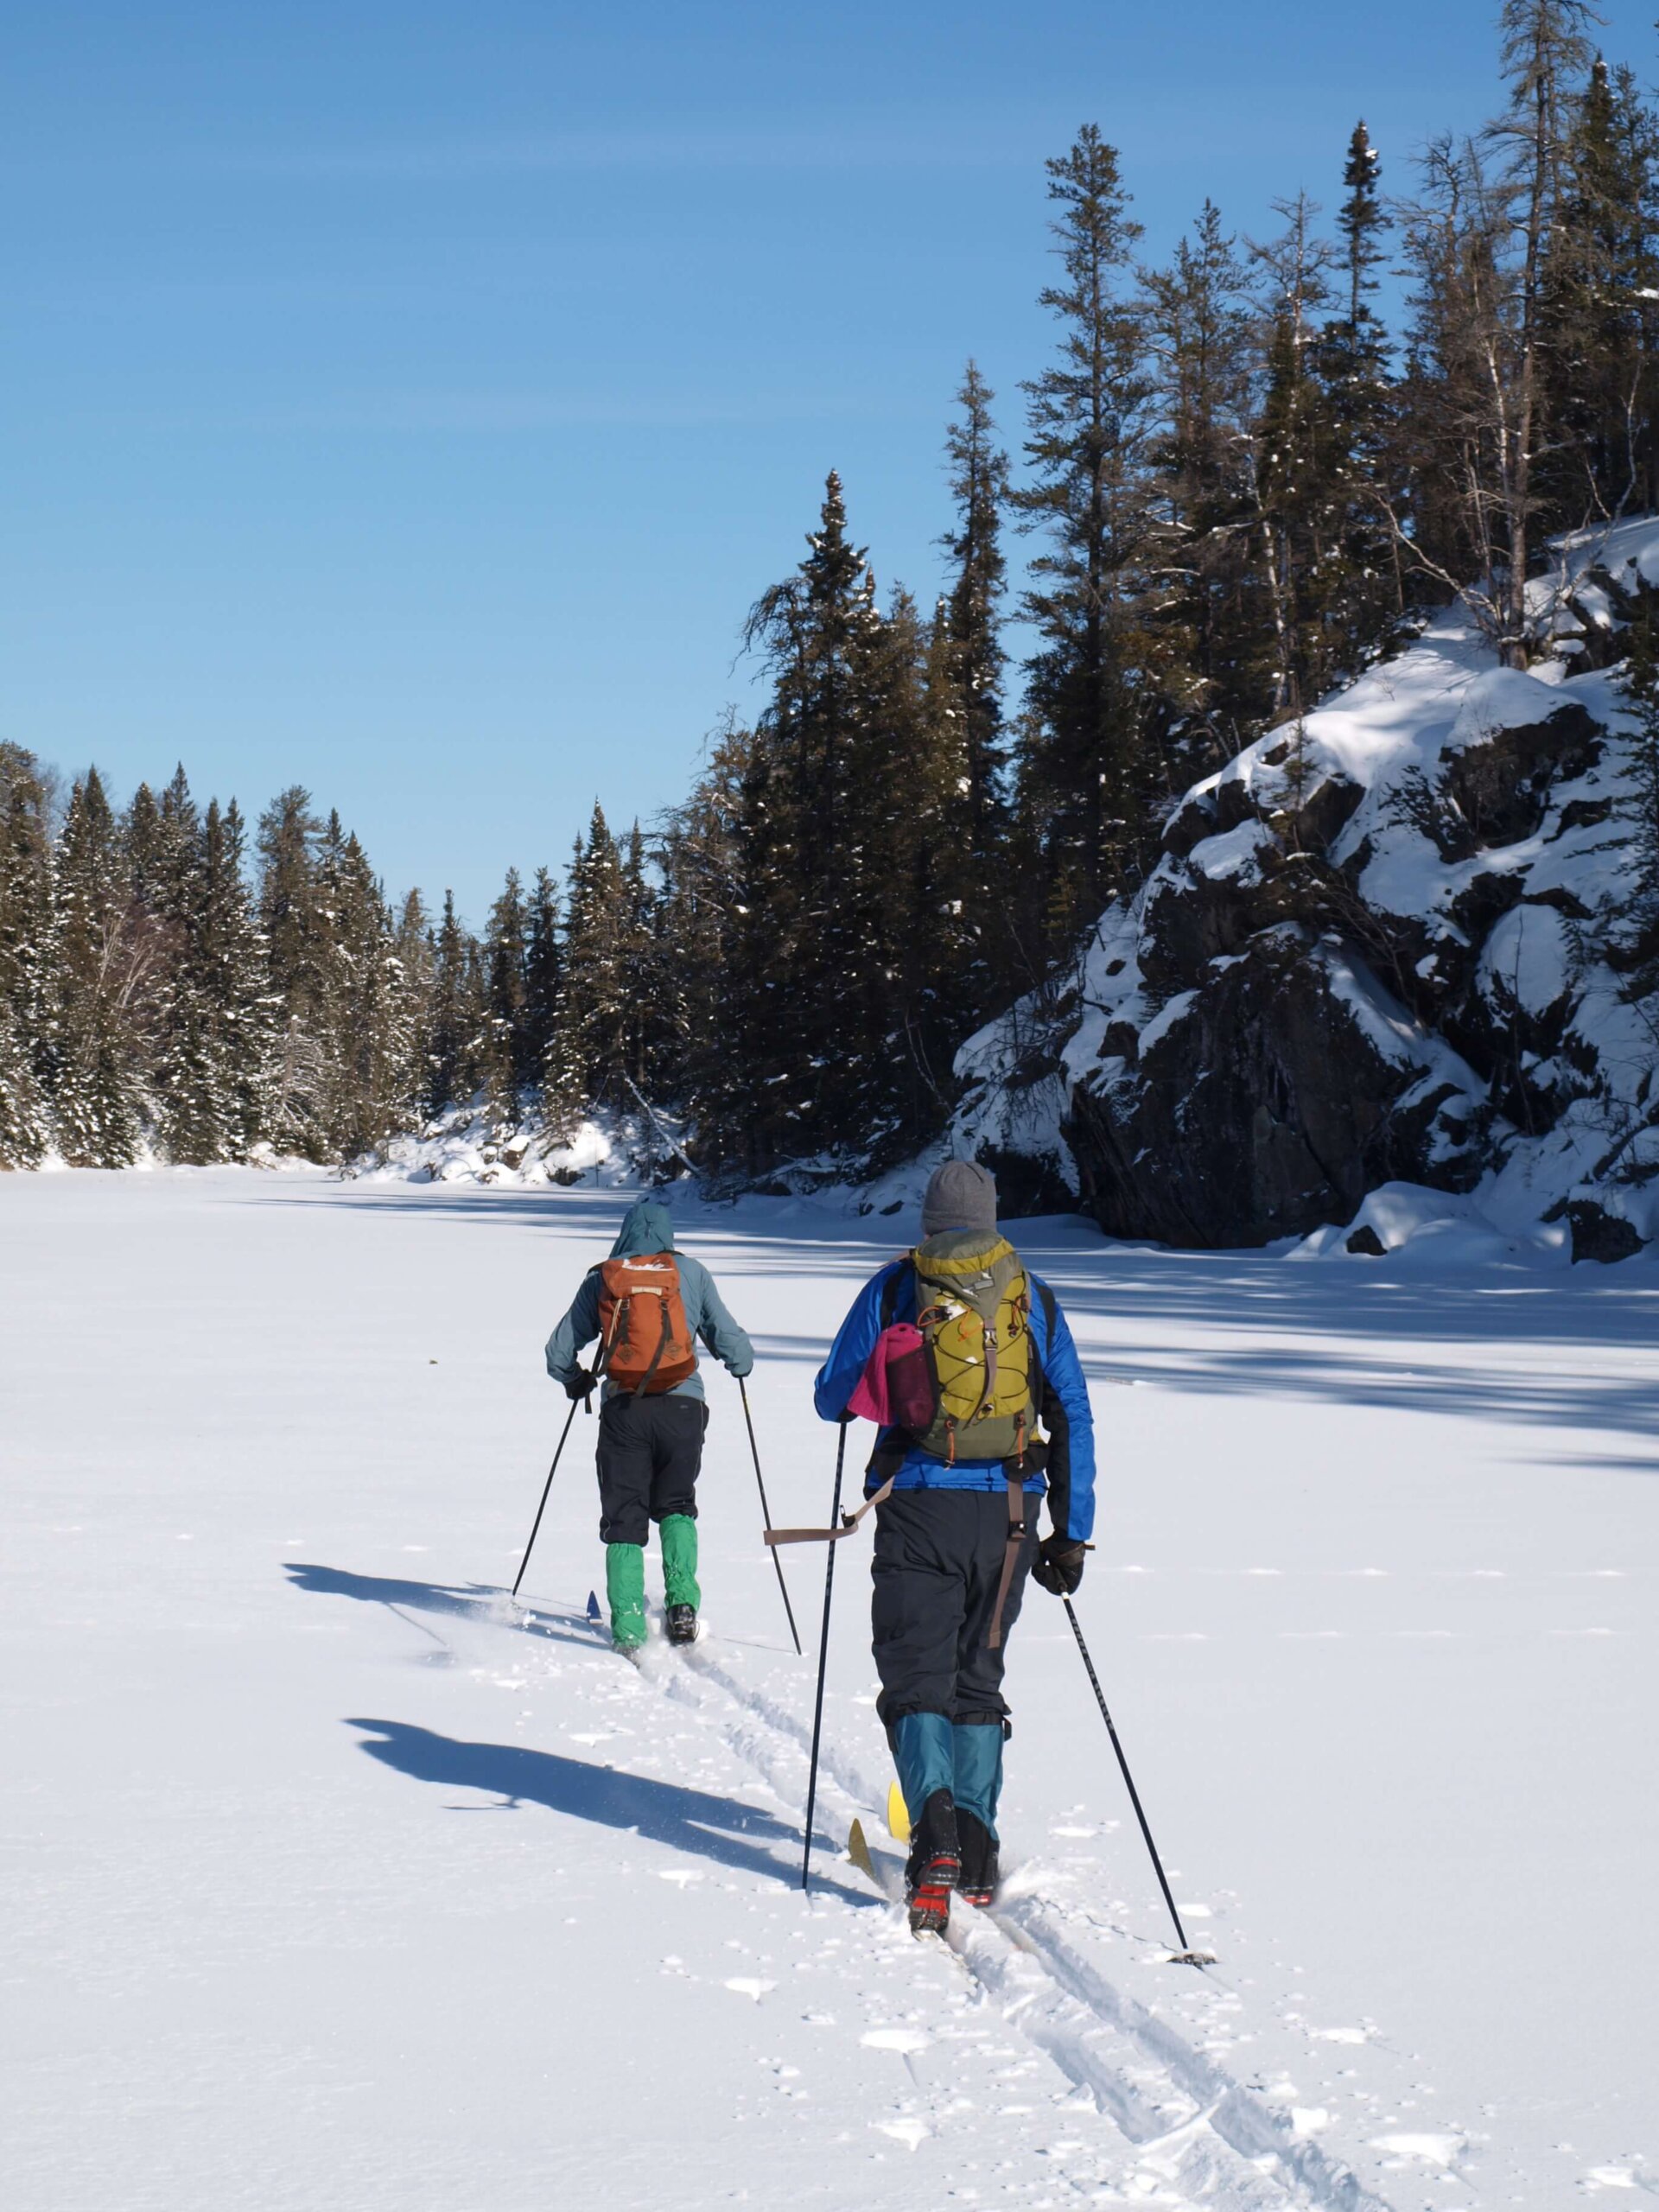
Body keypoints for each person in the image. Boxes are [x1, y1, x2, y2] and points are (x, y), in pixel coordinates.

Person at [814, 1160, 1094, 1929]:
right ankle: (975, 1846)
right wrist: (1071, 1536)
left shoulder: (897, 1287)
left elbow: (830, 1398)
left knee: (915, 1678)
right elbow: (1071, 1412)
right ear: (994, 1219)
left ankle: (932, 1829)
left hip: (917, 1506)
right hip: (1009, 1514)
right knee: (978, 1677)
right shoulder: (1032, 1295)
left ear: (928, 1221)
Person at [546, 1197, 753, 1653]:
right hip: (683, 1410)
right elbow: (733, 1344)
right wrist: (739, 1364)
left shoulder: (604, 1278)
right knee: (677, 1504)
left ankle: (628, 1626)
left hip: (625, 1413)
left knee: (625, 1518)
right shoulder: (690, 1274)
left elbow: (558, 1353)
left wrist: (576, 1380)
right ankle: (682, 1606)